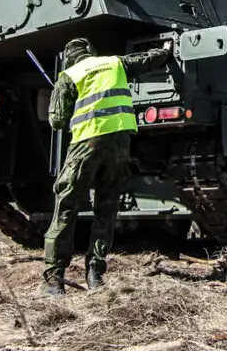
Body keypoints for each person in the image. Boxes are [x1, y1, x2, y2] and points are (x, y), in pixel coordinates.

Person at [43, 37, 172, 294]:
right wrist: (165, 50)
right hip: (119, 146)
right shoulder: (115, 63)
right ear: (91, 51)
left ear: (70, 57)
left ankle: (54, 279)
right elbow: (146, 60)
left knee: (66, 208)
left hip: (86, 145)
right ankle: (95, 274)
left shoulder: (69, 75)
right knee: (106, 208)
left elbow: (57, 122)